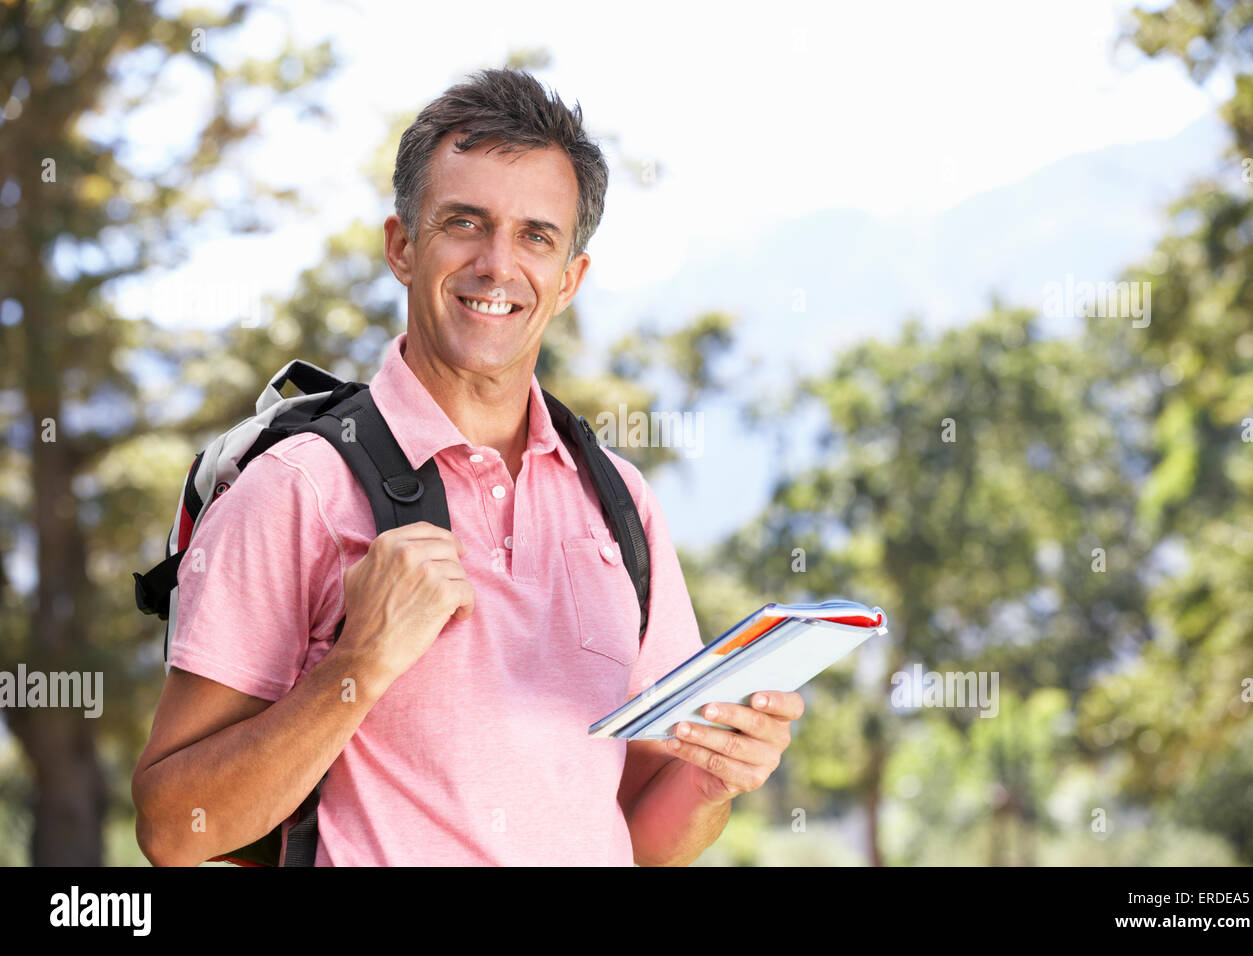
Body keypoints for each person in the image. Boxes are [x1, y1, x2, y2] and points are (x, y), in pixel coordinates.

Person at [131, 68, 804, 866]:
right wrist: (359, 662)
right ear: (402, 246)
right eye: (464, 223)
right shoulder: (297, 490)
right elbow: (175, 830)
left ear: (568, 282)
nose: (497, 264)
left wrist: (712, 780)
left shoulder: (622, 505)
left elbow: (634, 834)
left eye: (536, 236)